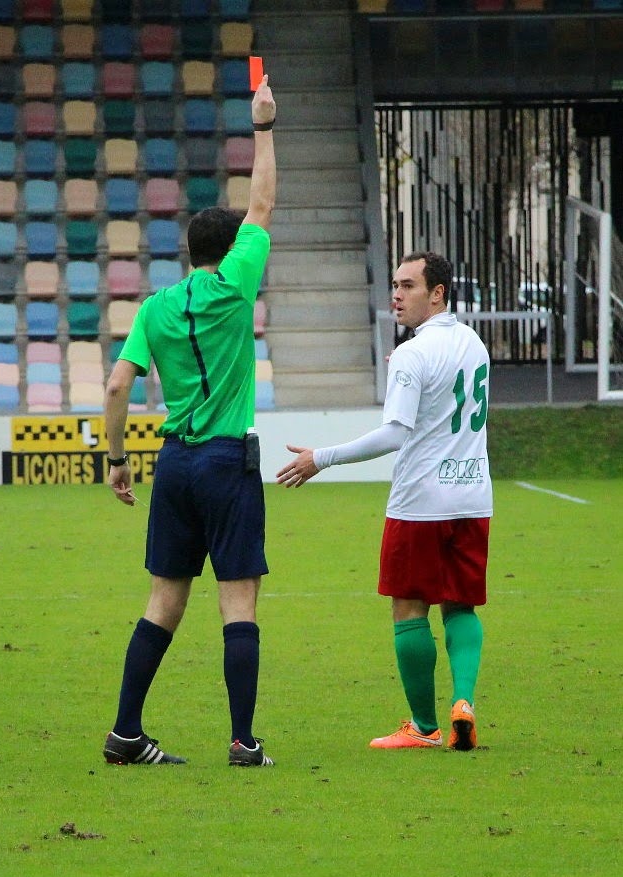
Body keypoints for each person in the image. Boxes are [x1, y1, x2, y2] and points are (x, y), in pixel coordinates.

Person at [99, 76, 277, 768]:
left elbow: (117, 385)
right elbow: (262, 201)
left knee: (163, 601)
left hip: (172, 463)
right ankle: (242, 741)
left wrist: (117, 461)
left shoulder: (154, 307)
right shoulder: (237, 284)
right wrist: (261, 125)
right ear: (231, 251)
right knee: (239, 604)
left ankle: (125, 732)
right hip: (228, 463)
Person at [276, 251, 491, 752]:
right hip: (473, 493)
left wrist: (320, 458)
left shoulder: (414, 354)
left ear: (437, 292)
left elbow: (395, 434)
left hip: (421, 502)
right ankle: (464, 702)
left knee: (409, 607)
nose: (396, 294)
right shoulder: (474, 343)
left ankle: (422, 727)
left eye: (409, 285)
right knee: (461, 605)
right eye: (394, 284)